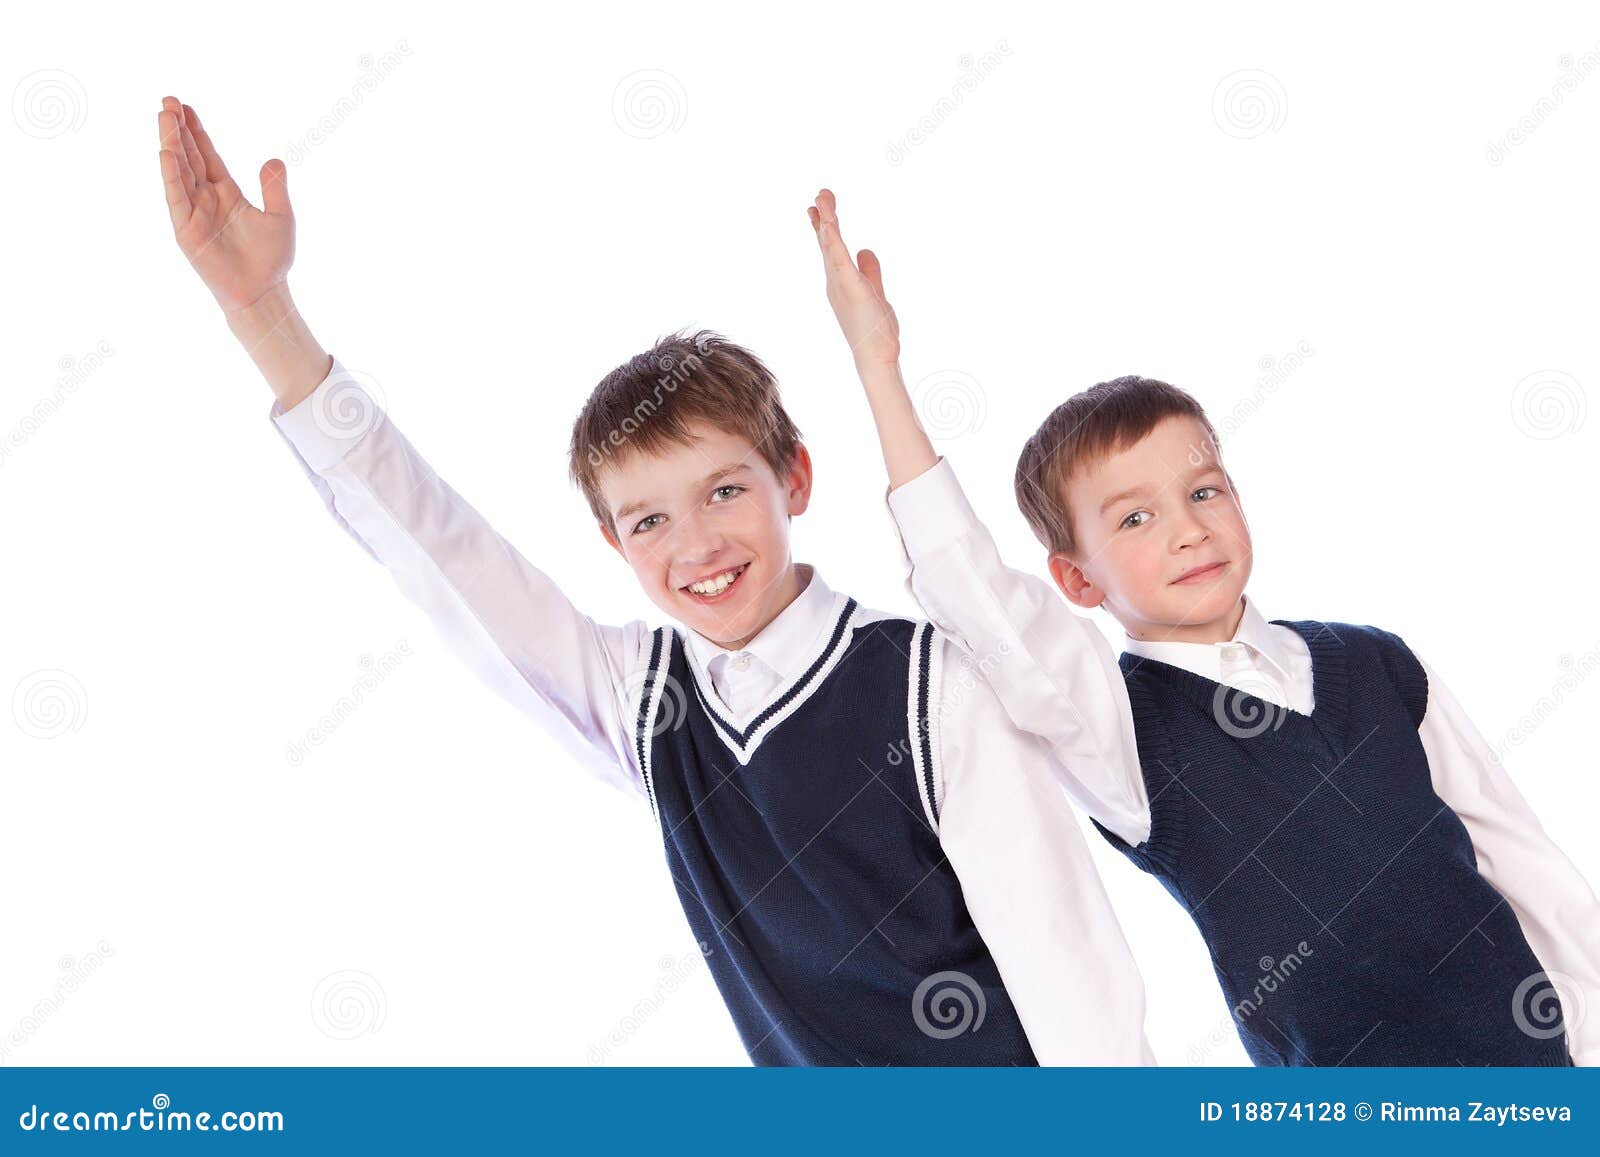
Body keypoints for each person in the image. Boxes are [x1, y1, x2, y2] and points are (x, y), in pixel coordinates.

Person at [156, 97, 1154, 1065]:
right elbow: (443, 553)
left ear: (795, 478)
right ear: (612, 542)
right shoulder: (644, 698)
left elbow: (1070, 973)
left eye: (724, 490)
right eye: (648, 520)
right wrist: (263, 314)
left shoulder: (930, 684)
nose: (696, 544)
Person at [809, 186, 1599, 1066]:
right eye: (1134, 518)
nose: (1187, 528)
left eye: (1203, 491)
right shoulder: (1121, 736)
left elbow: (1522, 857)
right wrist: (879, 368)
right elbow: (974, 591)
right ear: (1076, 579)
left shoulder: (1376, 663)